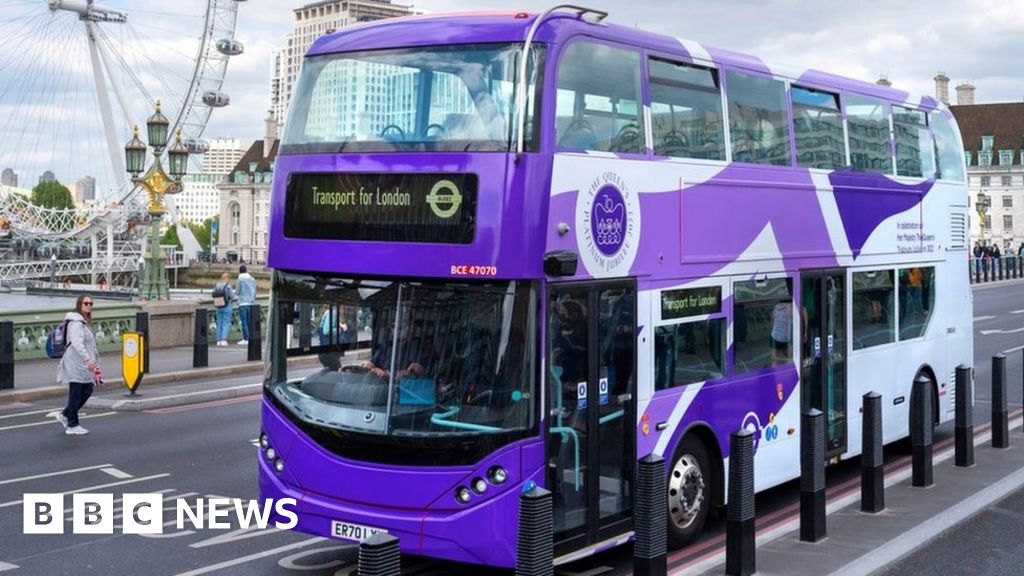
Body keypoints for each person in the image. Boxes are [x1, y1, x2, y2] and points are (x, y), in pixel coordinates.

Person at [54, 295, 100, 435]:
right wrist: (88, 359)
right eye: (86, 303)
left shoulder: (82, 322)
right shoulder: (76, 322)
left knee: (86, 390)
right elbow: (77, 343)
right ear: (79, 304)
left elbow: (89, 344)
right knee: (77, 393)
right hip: (75, 362)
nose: (88, 306)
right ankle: (72, 425)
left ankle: (66, 415)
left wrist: (95, 361)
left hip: (81, 363)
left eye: (91, 303)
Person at [236, 265, 257, 345]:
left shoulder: (240, 279)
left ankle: (246, 338)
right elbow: (255, 291)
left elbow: (237, 292)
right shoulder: (252, 279)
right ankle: (250, 336)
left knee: (244, 321)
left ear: (239, 271)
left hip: (243, 303)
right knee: (249, 321)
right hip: (251, 302)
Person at [213, 272, 236, 346]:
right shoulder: (228, 286)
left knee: (219, 323)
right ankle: (223, 339)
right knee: (226, 323)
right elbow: (232, 296)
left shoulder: (217, 285)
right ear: (228, 278)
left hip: (219, 306)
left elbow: (214, 294)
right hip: (227, 306)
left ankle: (218, 340)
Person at [770, 300, 793, 366]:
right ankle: (788, 373)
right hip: (785, 338)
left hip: (775, 336)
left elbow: (772, 322)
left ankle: (774, 374)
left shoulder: (776, 307)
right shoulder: (790, 307)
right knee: (791, 357)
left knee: (775, 359)